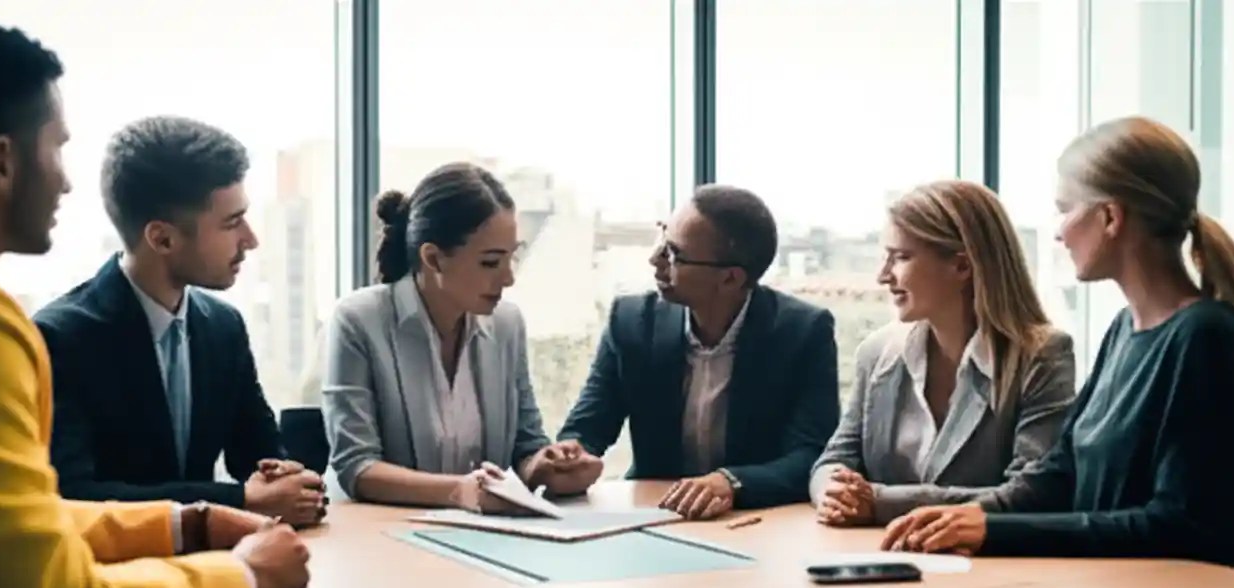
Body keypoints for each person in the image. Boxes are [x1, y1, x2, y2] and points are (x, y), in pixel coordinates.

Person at [0, 18, 309, 588]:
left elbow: (27, 519)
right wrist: (239, 575)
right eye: (56, 149)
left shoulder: (223, 327)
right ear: (2, 160)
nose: (65, 181)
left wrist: (192, 523)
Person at [883, 117, 1234, 588]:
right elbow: (1061, 475)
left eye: (1065, 210)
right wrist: (961, 517)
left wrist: (993, 531)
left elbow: (1181, 522)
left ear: (1110, 218)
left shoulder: (1203, 337)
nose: (1057, 232)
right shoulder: (1123, 332)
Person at [31, 116, 325, 525]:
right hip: (116, 574)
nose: (251, 240)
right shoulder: (61, 338)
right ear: (162, 239)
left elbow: (261, 457)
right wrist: (237, 501)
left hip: (222, 563)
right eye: (231, 222)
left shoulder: (224, 327)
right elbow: (77, 496)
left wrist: (290, 481)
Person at [322, 162, 601, 512]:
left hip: (480, 539)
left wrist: (546, 467)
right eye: (490, 263)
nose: (508, 279)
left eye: (512, 258)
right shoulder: (358, 320)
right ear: (434, 259)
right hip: (379, 538)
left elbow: (525, 447)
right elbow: (357, 467)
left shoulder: (506, 324)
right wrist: (460, 492)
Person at [558, 184, 839, 520]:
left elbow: (811, 455)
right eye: (661, 237)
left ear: (731, 279)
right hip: (654, 514)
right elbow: (588, 427)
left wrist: (731, 482)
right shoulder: (632, 321)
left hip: (756, 521)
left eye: (673, 253)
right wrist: (568, 455)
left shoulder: (803, 331)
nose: (655, 259)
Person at [810, 180, 1075, 527]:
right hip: (878, 556)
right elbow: (835, 460)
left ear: (962, 267)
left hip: (990, 569)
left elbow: (1031, 494)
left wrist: (880, 502)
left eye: (901, 257)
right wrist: (832, 490)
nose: (883, 276)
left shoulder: (1041, 356)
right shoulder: (876, 353)